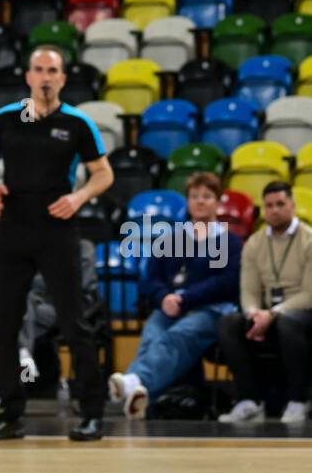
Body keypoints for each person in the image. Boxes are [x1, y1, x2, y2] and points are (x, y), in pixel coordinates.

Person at [0, 48, 113, 441]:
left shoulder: (77, 123)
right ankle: (9, 410)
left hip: (57, 228)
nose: (46, 77)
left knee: (75, 323)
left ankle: (92, 412)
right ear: (29, 76)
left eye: (53, 70)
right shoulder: (5, 119)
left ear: (63, 78)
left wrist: (79, 198)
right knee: (3, 325)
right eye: (39, 70)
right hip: (14, 227)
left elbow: (103, 174)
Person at [109, 172, 241, 419]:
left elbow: (227, 282)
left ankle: (135, 382)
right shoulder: (172, 239)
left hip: (211, 310)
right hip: (171, 307)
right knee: (153, 332)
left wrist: (185, 298)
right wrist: (164, 298)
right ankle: (143, 395)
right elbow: (151, 277)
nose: (200, 201)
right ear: (188, 201)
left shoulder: (230, 242)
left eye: (207, 196)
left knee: (180, 334)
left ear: (217, 202)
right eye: (194, 196)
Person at [217, 183, 312, 426]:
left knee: (287, 324)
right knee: (229, 323)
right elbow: (248, 290)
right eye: (269, 205)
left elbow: (309, 294)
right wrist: (253, 313)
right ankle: (250, 400)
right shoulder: (254, 243)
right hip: (266, 312)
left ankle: (298, 400)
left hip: (301, 312)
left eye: (280, 204)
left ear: (292, 205)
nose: (275, 210)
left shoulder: (309, 240)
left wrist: (273, 313)